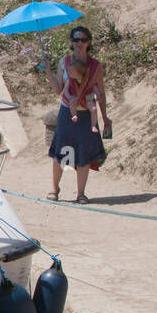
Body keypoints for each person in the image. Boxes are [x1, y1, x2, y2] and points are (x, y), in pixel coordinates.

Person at [43, 25, 110, 203]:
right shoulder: (64, 63)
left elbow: (101, 94)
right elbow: (58, 89)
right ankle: (54, 189)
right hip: (67, 111)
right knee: (60, 151)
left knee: (84, 153)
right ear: (71, 42)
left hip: (86, 114)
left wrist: (105, 118)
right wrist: (48, 71)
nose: (79, 43)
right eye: (76, 40)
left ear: (89, 42)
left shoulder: (95, 66)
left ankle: (81, 193)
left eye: (83, 40)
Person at [65, 58, 100, 132]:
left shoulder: (88, 80)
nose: (68, 72)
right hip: (76, 96)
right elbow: (65, 90)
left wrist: (97, 95)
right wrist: (69, 97)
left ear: (79, 72)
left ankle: (93, 125)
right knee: (72, 101)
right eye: (68, 71)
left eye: (71, 71)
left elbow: (94, 87)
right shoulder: (70, 80)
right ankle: (74, 115)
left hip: (88, 97)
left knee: (94, 109)